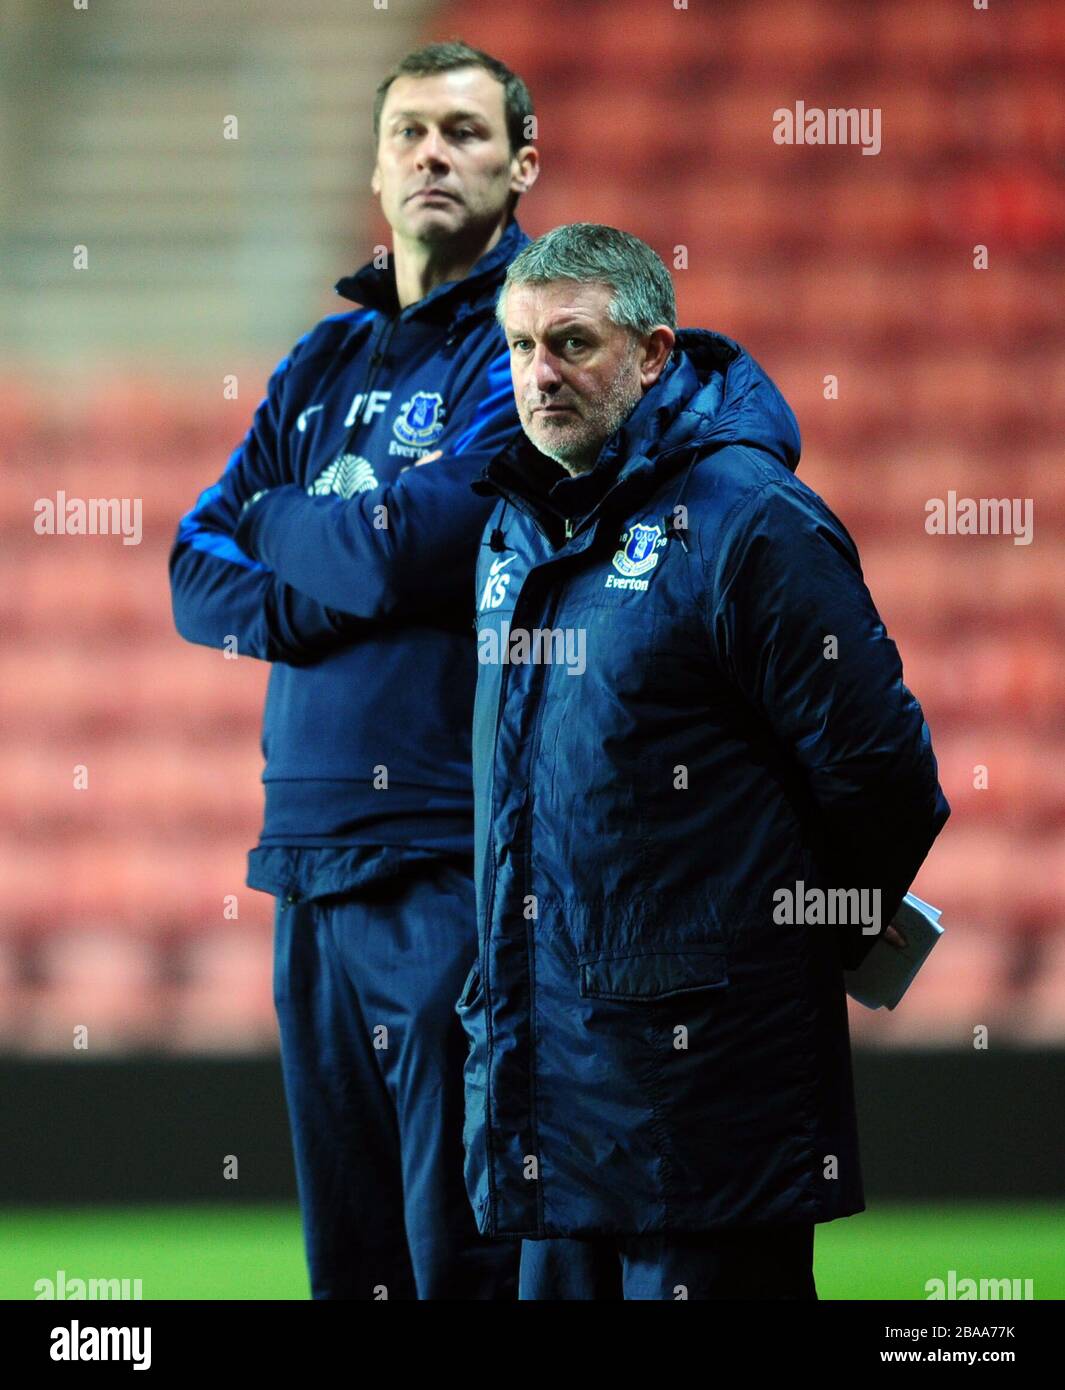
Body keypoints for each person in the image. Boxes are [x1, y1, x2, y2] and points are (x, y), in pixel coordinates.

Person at [458, 223, 950, 1300]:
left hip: (706, 1105)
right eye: (518, 345)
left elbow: (884, 775)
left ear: (653, 354)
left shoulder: (749, 520)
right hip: (549, 1090)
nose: (537, 374)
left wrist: (805, 941)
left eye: (572, 343)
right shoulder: (513, 528)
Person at [168, 41, 539, 1300]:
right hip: (309, 858)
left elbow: (412, 551)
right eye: (407, 134)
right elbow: (189, 577)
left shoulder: (522, 343)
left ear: (521, 164)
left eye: (464, 132)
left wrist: (282, 524)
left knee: (461, 1252)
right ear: (375, 170)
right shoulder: (317, 363)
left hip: (446, 853)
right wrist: (339, 553)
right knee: (354, 1263)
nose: (431, 153)